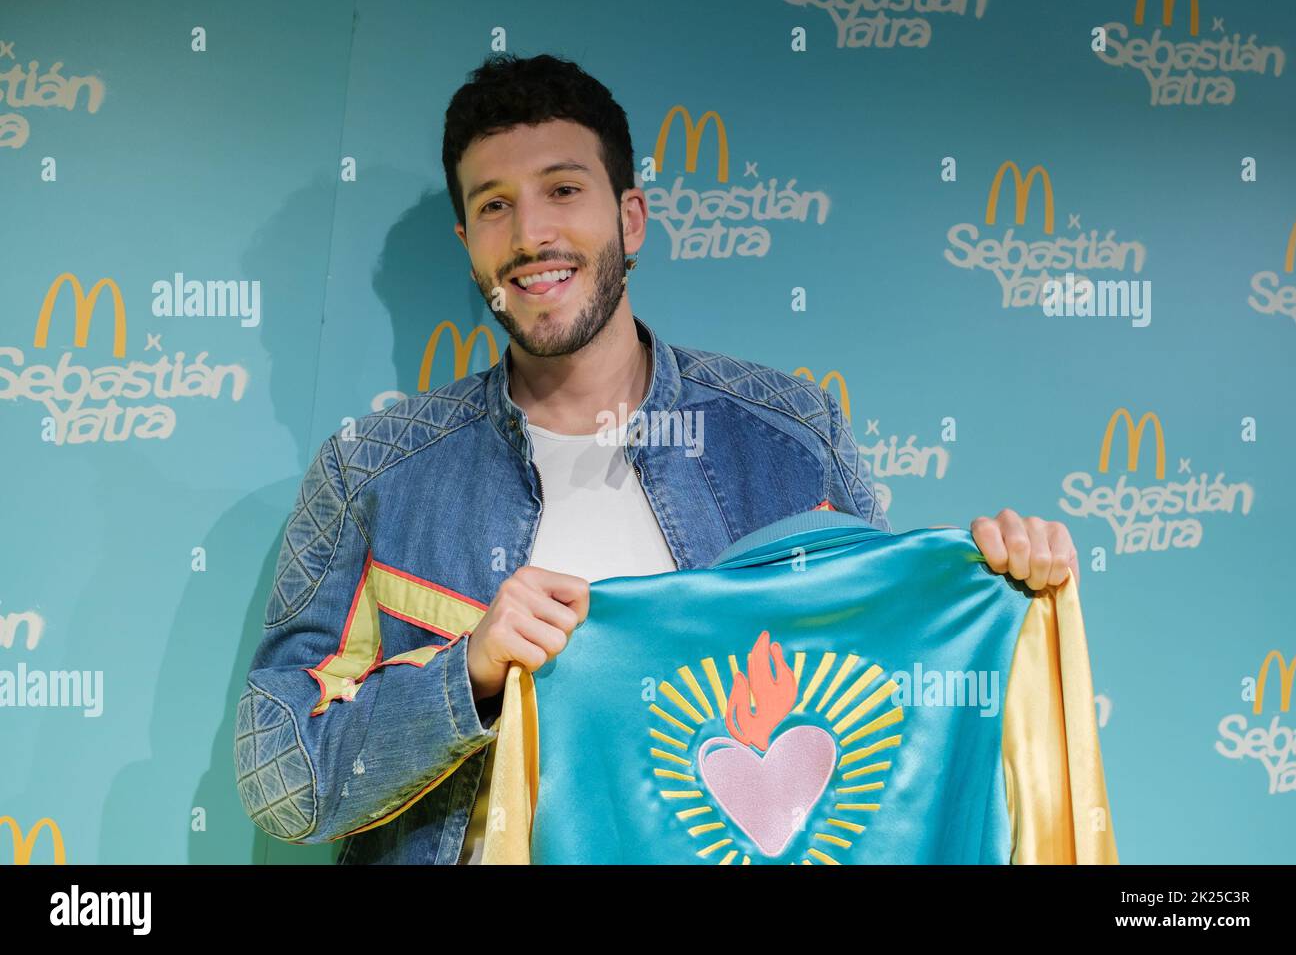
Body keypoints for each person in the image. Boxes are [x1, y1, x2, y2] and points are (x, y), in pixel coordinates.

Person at [235, 52, 1080, 865]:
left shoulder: (794, 435)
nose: (531, 234)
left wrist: (997, 584)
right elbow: (280, 780)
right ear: (467, 242)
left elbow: (887, 691)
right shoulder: (371, 473)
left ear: (630, 218)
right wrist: (469, 677)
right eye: (494, 206)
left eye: (563, 189)